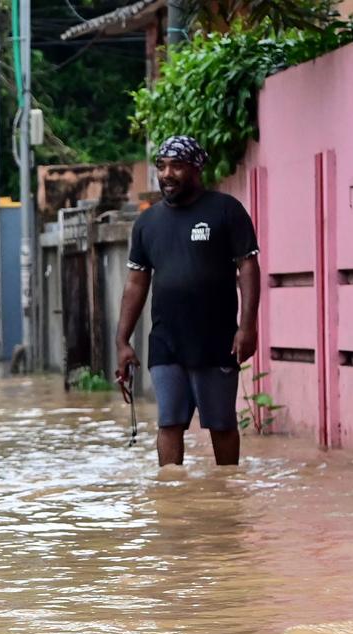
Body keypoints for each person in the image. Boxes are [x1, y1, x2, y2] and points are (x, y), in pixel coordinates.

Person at [114, 135, 260, 467]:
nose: (167, 174)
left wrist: (247, 327)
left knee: (221, 423)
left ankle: (227, 494)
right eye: (162, 166)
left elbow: (248, 268)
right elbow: (136, 283)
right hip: (166, 340)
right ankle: (171, 501)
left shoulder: (226, 210)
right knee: (169, 422)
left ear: (196, 169)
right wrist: (122, 340)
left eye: (176, 166)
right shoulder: (147, 223)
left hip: (216, 339)